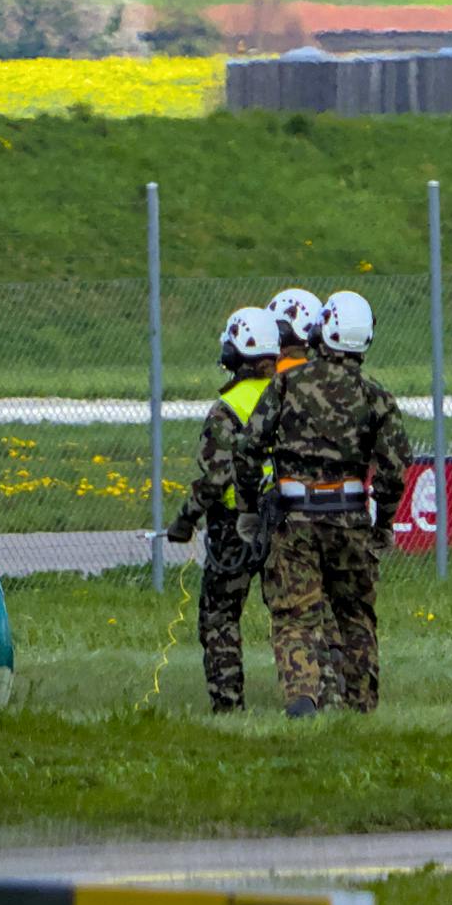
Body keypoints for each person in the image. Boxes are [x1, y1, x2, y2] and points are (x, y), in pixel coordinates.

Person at [259, 285, 412, 715]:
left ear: (323, 330)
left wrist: (254, 508)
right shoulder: (375, 396)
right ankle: (360, 704)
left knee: (295, 616)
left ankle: (302, 695)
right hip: (349, 517)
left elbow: (249, 444)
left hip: (294, 518)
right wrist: (382, 524)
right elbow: (394, 466)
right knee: (356, 615)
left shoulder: (287, 384)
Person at [166, 304, 285, 713]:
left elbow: (216, 480)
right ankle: (308, 696)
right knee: (293, 615)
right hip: (288, 522)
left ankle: (228, 704)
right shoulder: (291, 396)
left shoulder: (227, 409)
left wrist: (184, 520)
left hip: (235, 528)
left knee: (219, 618)